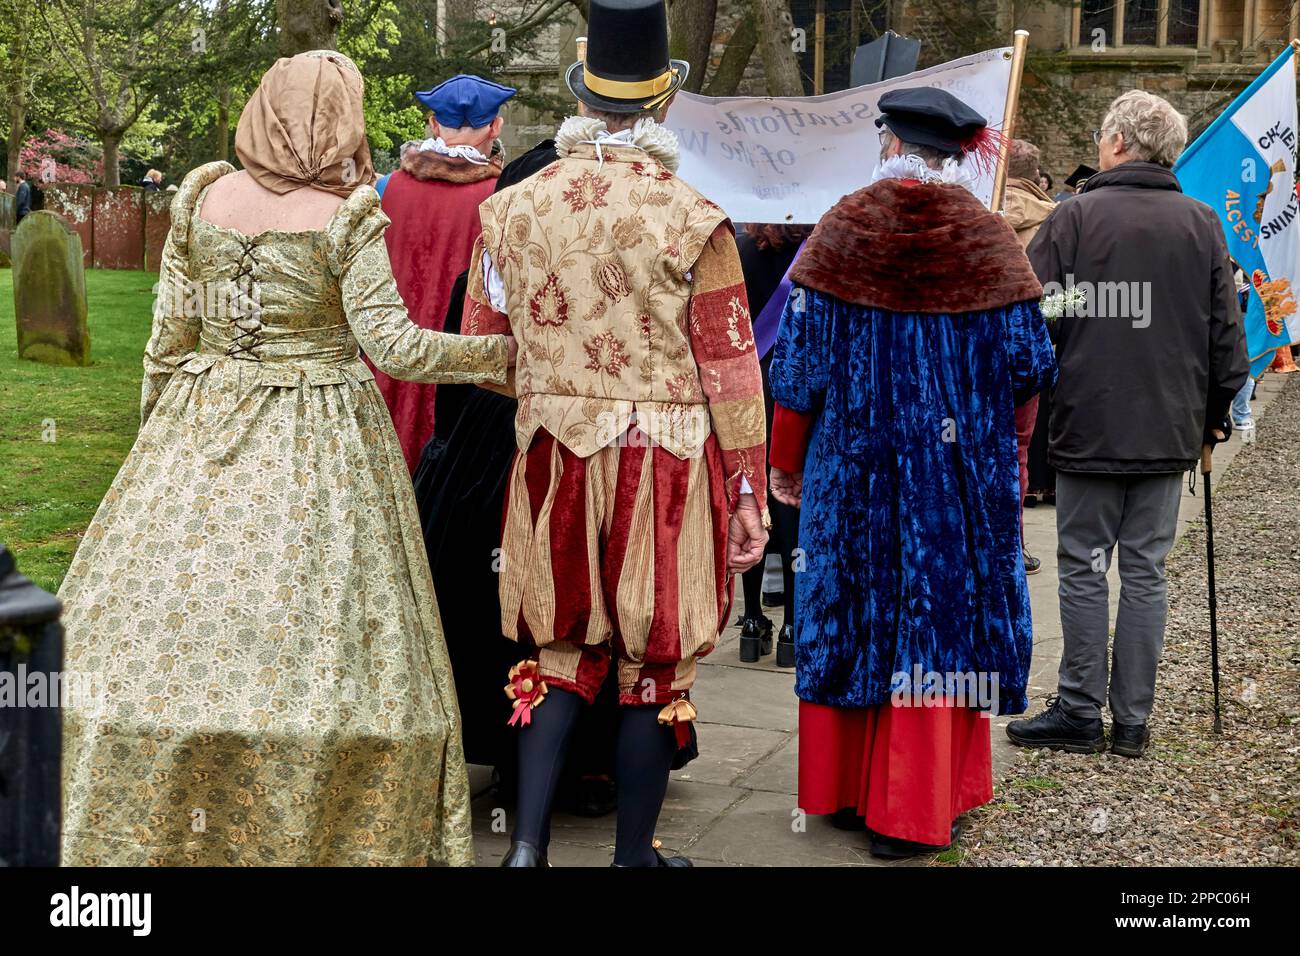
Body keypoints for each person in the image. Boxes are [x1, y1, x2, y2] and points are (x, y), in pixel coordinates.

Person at [57, 50, 515, 866]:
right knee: (308, 611)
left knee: (183, 607)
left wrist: (160, 447)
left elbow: (169, 339)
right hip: (321, 430)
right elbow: (397, 348)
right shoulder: (346, 216)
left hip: (203, 409)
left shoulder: (203, 197)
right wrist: (505, 357)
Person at [463, 0, 770, 867]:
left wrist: (560, 386)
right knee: (654, 662)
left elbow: (484, 355)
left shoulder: (511, 210)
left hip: (553, 453)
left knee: (557, 648)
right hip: (665, 462)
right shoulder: (694, 214)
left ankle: (525, 848)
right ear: (661, 102)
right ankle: (633, 856)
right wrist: (747, 486)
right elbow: (733, 368)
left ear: (583, 95)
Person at [768, 87, 1056, 860]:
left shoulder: (842, 229)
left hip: (853, 471)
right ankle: (914, 809)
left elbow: (798, 372)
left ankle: (841, 793)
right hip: (953, 481)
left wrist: (786, 467)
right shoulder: (991, 240)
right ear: (956, 156)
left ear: (892, 145)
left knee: (852, 616)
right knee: (935, 624)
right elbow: (1032, 362)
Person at [1008, 90, 1248, 759]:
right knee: (1145, 571)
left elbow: (1038, 316)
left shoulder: (1075, 219)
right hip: (1169, 428)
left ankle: (1081, 712)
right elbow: (1226, 341)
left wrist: (1090, 307)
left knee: (1084, 567)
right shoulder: (1201, 224)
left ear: (1117, 144)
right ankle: (1132, 723)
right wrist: (1215, 419)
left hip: (1089, 422)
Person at [371, 74, 515, 471]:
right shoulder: (502, 200)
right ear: (495, 127)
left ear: (434, 125)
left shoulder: (385, 189)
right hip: (462, 370)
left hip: (388, 358)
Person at [735, 222, 811, 667]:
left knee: (752, 490)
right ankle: (793, 627)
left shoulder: (739, 247)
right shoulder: (823, 249)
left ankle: (751, 619)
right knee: (790, 497)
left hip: (745, 386)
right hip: (795, 387)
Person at [1003, 138, 1057, 576]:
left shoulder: (976, 210)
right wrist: (1043, 320)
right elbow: (1065, 295)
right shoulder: (1055, 221)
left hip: (973, 344)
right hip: (1026, 348)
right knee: (1018, 451)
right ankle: (1013, 545)